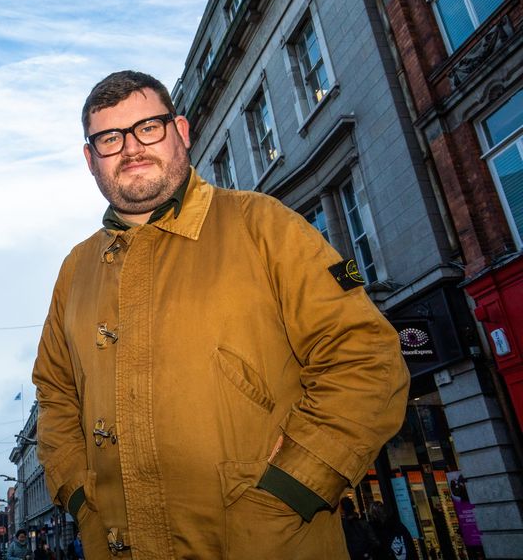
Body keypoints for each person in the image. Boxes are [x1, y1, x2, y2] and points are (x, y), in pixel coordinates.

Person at [32, 70, 411, 558]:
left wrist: (290, 491)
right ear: (91, 159)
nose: (131, 148)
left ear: (181, 132)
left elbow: (367, 359)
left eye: (148, 127)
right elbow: (55, 395)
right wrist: (81, 498)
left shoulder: (266, 224)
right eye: (110, 138)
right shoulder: (74, 270)